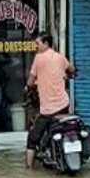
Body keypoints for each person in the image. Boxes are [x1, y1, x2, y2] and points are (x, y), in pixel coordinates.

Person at [25, 33, 76, 169]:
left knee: (32, 138)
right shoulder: (60, 57)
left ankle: (28, 168)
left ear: (46, 44)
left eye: (38, 44)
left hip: (48, 109)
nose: (36, 47)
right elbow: (72, 70)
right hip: (64, 105)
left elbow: (30, 81)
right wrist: (67, 75)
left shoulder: (39, 58)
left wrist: (29, 86)